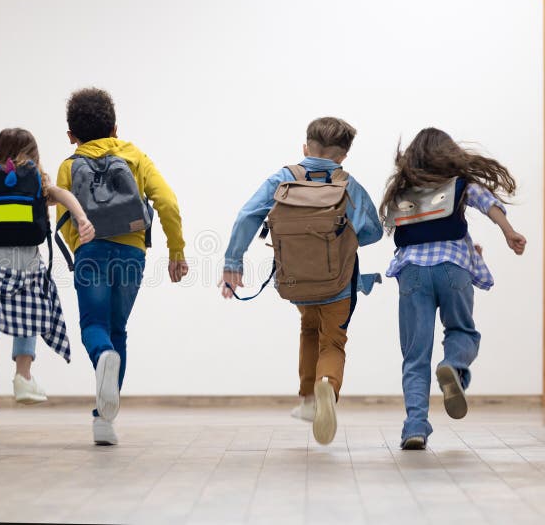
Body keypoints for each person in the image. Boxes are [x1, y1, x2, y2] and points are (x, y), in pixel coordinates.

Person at [220, 117, 382, 445]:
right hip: (338, 282)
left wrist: (232, 262)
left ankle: (308, 399)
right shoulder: (348, 184)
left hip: (295, 282)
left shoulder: (283, 178)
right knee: (333, 341)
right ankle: (327, 385)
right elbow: (374, 231)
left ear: (305, 147)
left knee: (309, 329)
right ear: (343, 156)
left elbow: (247, 215)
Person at [0, 127, 94, 459]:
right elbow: (64, 196)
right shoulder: (38, 182)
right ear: (33, 152)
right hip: (23, 267)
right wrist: (81, 218)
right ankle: (23, 376)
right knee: (29, 315)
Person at [56, 87, 189, 445]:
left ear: (71, 135)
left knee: (94, 327)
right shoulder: (136, 156)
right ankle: (105, 422)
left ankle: (102, 361)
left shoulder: (69, 165)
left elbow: (65, 218)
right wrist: (176, 251)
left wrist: (83, 249)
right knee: (118, 330)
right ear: (116, 128)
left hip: (91, 251)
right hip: (132, 254)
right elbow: (168, 203)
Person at [379, 127, 526, 450]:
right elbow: (488, 203)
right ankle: (453, 367)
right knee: (462, 331)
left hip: (412, 274)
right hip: (453, 270)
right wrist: (508, 232)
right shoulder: (461, 185)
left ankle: (414, 427)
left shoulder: (401, 192)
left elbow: (391, 227)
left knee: (415, 356)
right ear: (448, 155)